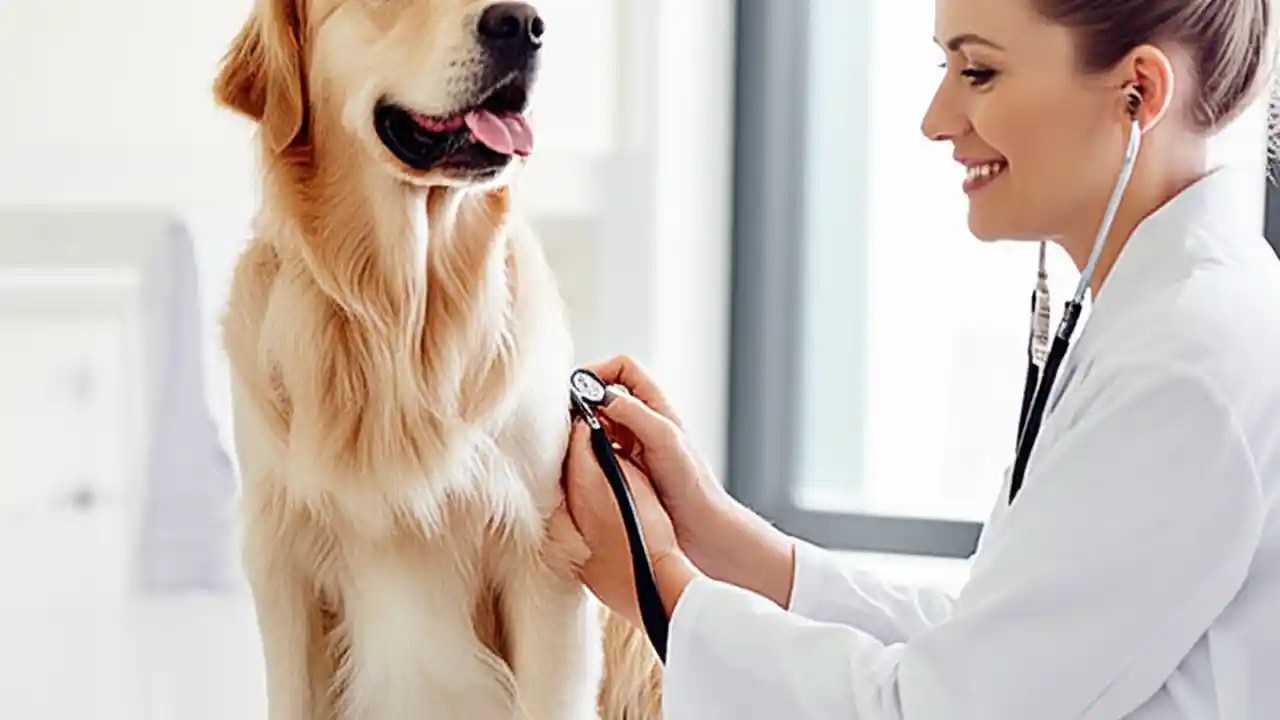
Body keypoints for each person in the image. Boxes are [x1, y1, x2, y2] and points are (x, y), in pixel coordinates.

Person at [558, 0, 1280, 717]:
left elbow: (947, 708)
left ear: (1140, 92)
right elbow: (994, 649)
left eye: (979, 71)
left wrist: (657, 590)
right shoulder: (1174, 321)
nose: (936, 119)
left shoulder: (1184, 369)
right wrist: (721, 537)